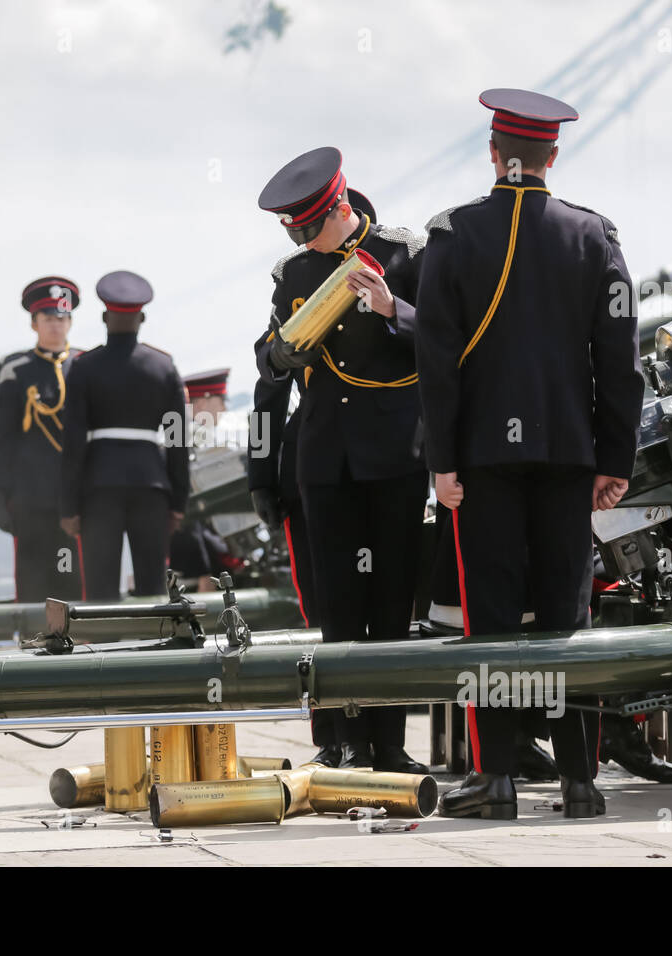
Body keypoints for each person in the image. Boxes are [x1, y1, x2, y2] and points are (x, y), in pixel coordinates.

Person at [415, 88, 644, 819]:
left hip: (482, 457)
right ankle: (580, 781)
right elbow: (621, 359)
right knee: (565, 615)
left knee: (491, 616)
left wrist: (441, 462)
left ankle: (499, 779)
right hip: (570, 453)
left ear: (493, 153)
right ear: (553, 155)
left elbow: (438, 361)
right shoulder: (594, 236)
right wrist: (616, 458)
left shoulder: (454, 235)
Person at [252, 147, 430, 775]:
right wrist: (282, 357)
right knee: (336, 609)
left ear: (341, 206)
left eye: (311, 226)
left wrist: (391, 310)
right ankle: (341, 739)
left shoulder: (407, 254)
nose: (304, 240)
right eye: (296, 232)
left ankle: (389, 741)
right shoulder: (295, 273)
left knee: (392, 606)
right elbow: (268, 367)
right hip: (326, 458)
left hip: (395, 454)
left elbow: (447, 340)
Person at [59, 271, 189, 600]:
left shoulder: (84, 367)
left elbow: (73, 442)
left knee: (101, 589)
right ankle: (154, 648)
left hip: (99, 486)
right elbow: (176, 440)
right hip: (151, 486)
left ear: (104, 316)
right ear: (142, 317)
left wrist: (69, 505)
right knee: (153, 587)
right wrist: (178, 502)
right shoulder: (163, 367)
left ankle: (104, 647)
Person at [0, 276, 85, 602]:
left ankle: (82, 647)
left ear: (70, 320)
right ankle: (33, 644)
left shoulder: (86, 366)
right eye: (48, 319)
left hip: (77, 495)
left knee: (74, 575)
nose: (56, 326)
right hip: (29, 496)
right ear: (34, 323)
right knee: (32, 580)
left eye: (61, 318)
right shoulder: (15, 370)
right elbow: (0, 438)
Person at [168, 369, 246, 589]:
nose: (225, 408)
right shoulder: (191, 436)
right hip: (191, 542)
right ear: (203, 404)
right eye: (221, 402)